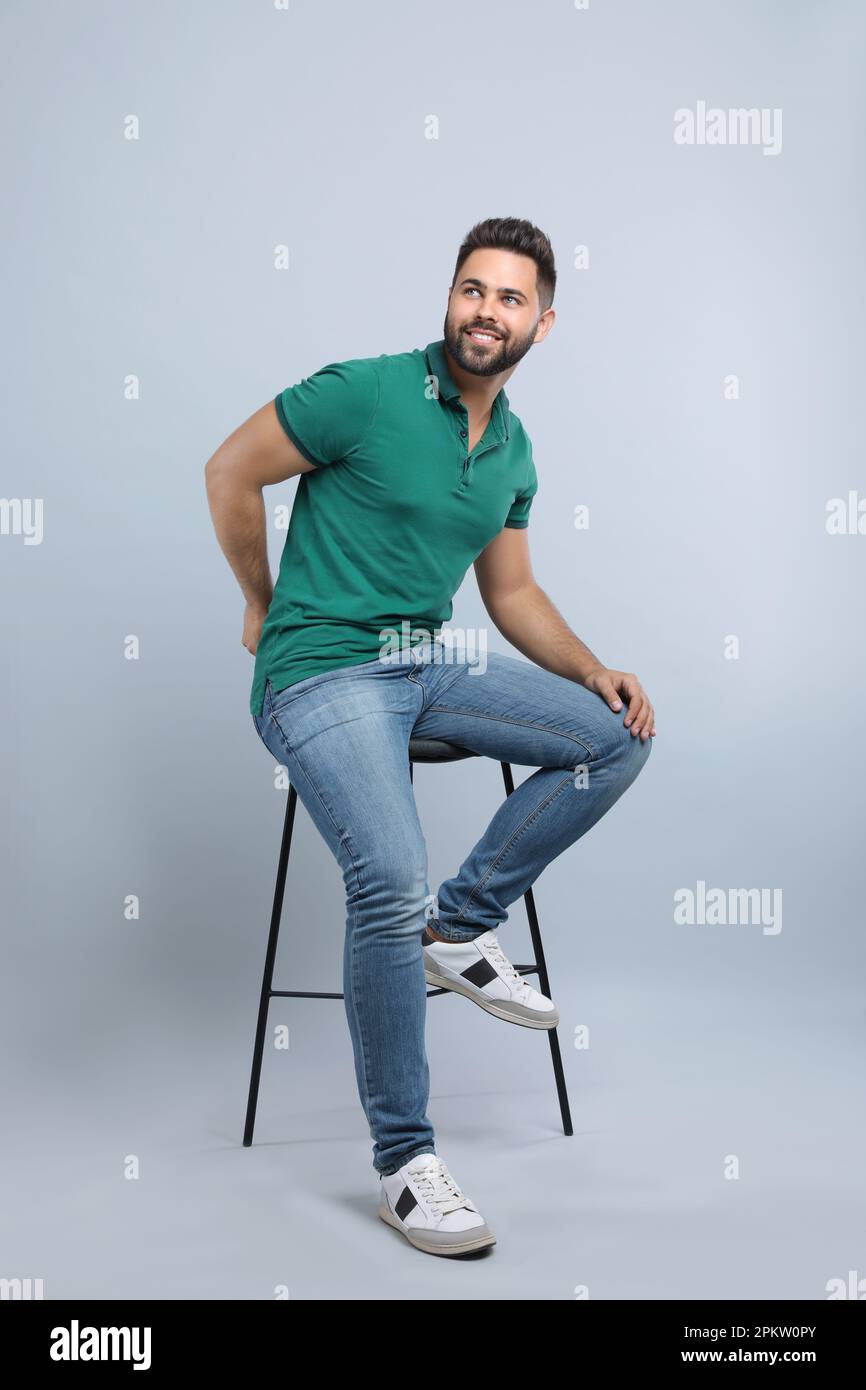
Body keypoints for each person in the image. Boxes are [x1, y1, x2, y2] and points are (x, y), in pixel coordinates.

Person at [204, 216, 655, 1258]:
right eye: (468, 289)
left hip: (424, 654)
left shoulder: (511, 448)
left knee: (612, 736)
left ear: (543, 321)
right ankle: (404, 1162)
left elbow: (511, 591)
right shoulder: (362, 390)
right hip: (320, 667)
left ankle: (458, 931)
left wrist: (590, 670)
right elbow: (230, 470)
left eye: (506, 298)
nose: (482, 311)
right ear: (446, 299)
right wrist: (259, 603)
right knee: (386, 877)